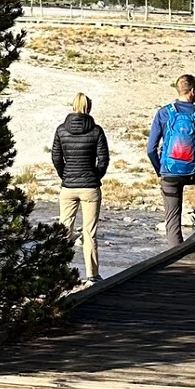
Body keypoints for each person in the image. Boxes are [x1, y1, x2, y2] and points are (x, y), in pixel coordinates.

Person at [147, 74, 195, 247]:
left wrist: (161, 170)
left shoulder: (163, 113)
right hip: (193, 172)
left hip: (168, 174)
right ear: (191, 92)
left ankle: (175, 260)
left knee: (172, 223)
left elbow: (151, 149)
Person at [52, 92, 109, 283]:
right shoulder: (96, 131)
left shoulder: (61, 130)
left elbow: (56, 158)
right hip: (90, 187)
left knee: (63, 230)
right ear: (89, 108)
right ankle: (92, 275)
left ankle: (58, 272)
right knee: (89, 233)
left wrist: (65, 175)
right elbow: (104, 159)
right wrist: (95, 175)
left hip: (68, 186)